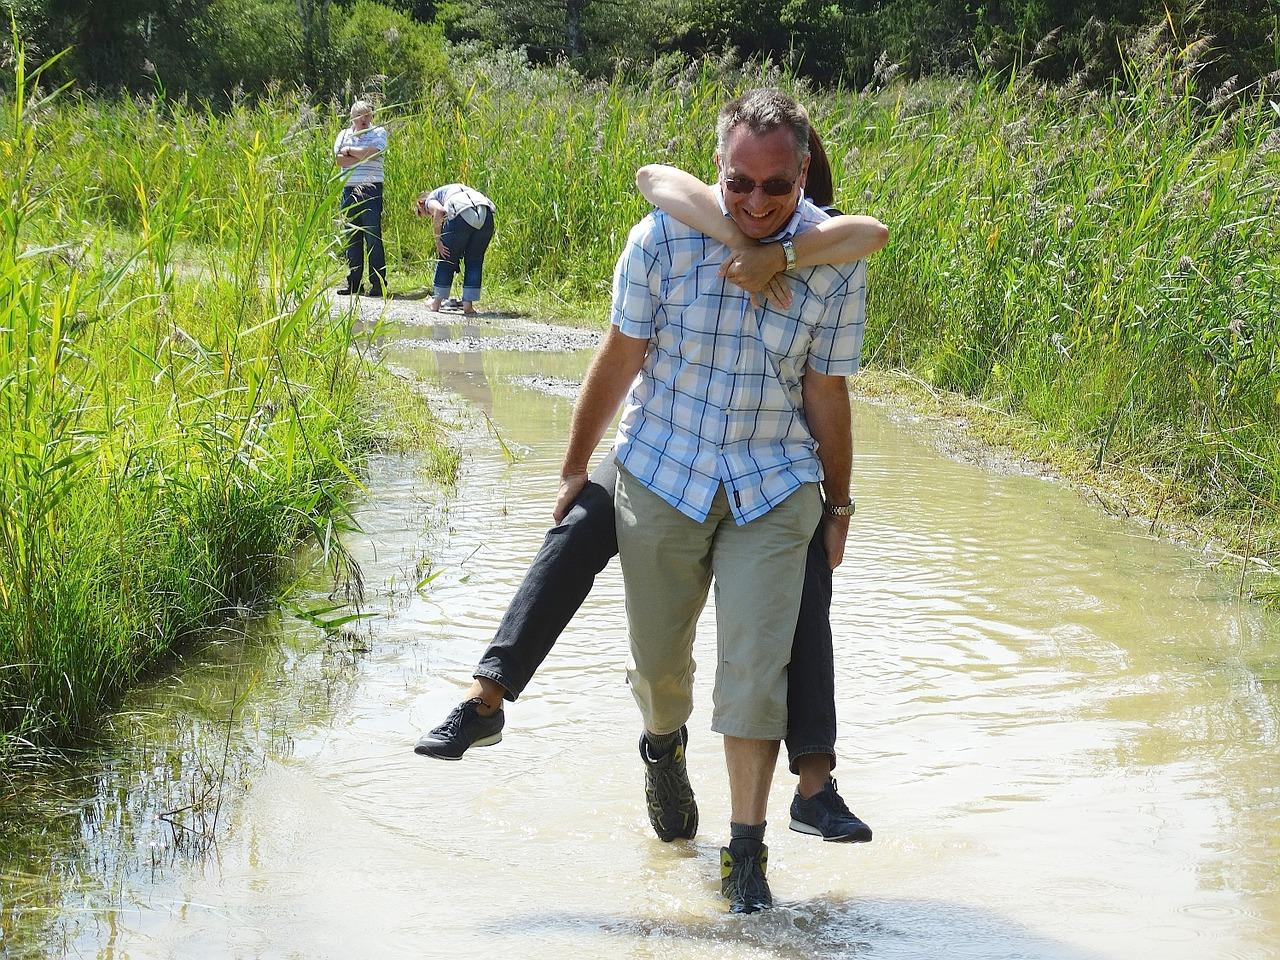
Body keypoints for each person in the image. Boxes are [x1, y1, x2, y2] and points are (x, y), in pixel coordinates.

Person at [415, 108, 887, 911]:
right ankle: (661, 749)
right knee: (661, 668)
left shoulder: (832, 258)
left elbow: (825, 390)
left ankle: (747, 858)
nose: (757, 199)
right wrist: (572, 468)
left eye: (777, 184)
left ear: (802, 175)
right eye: (739, 182)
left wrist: (839, 504)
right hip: (662, 471)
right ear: (718, 167)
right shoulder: (663, 238)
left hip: (771, 484)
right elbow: (620, 355)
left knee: (754, 672)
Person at [334, 100, 388, 297]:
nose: (364, 119)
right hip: (348, 190)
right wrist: (362, 154)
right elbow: (339, 159)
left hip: (371, 189)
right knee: (352, 237)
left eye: (367, 115)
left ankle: (378, 284)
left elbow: (376, 152)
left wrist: (350, 152)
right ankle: (354, 283)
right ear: (352, 118)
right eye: (360, 116)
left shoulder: (378, 132)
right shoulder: (343, 134)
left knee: (373, 236)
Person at [416, 183, 496, 316]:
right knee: (475, 260)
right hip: (486, 214)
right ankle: (468, 305)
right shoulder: (457, 188)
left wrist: (438, 241)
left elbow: (439, 211)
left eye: (422, 212)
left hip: (461, 211)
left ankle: (435, 303)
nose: (428, 215)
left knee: (447, 256)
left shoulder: (431, 199)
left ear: (421, 204)